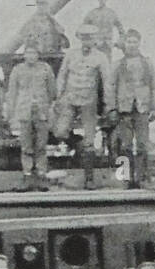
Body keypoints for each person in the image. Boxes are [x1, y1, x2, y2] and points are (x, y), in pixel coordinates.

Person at [56, 24, 113, 190]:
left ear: (95, 40)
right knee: (60, 131)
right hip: (70, 99)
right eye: (84, 38)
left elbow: (107, 82)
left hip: (89, 102)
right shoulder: (71, 55)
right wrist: (58, 96)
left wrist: (108, 105)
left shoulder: (101, 57)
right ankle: (78, 144)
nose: (87, 41)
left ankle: (89, 179)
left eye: (90, 38)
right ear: (80, 39)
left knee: (90, 141)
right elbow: (62, 75)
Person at [110, 30, 155, 188]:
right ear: (124, 44)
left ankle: (142, 177)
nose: (132, 45)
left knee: (143, 144)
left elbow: (154, 86)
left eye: (134, 41)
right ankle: (127, 178)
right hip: (124, 109)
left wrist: (154, 108)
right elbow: (112, 87)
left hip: (142, 108)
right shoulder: (118, 64)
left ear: (139, 43)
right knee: (125, 145)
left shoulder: (147, 63)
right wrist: (112, 108)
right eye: (129, 42)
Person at [6, 45, 57, 191]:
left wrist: (47, 106)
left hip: (41, 112)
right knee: (26, 146)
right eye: (28, 53)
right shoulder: (18, 70)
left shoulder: (45, 69)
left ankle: (41, 175)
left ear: (38, 55)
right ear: (24, 55)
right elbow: (12, 92)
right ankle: (27, 175)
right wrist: (11, 114)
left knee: (41, 145)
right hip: (24, 112)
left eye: (33, 53)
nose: (30, 56)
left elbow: (52, 91)